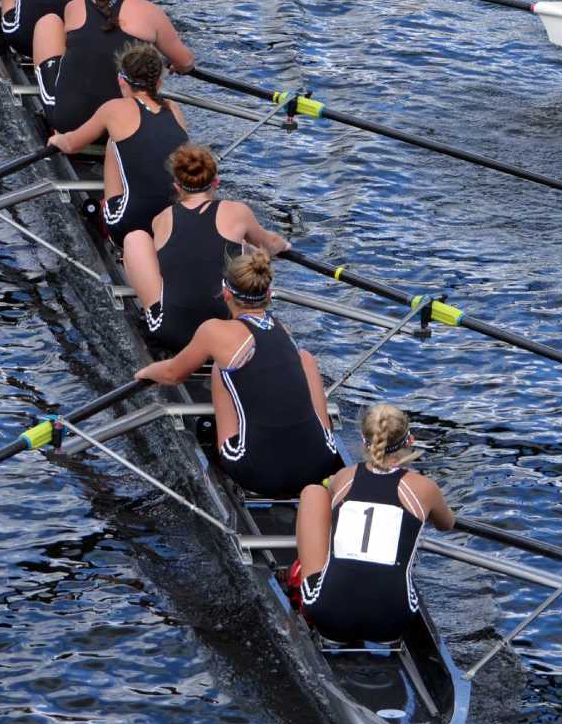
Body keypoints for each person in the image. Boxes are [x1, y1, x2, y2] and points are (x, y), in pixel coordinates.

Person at [137, 250, 345, 499]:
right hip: (319, 465)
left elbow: (173, 374)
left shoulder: (213, 330)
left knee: (219, 368)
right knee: (306, 359)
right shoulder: (283, 330)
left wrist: (145, 372)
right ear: (268, 295)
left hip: (258, 474)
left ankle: (221, 442)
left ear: (226, 293)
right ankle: (317, 440)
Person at [293, 403, 454, 644]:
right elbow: (447, 524)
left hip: (328, 615)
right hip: (393, 622)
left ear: (364, 441)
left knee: (313, 493)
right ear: (409, 440)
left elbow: (336, 490)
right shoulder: (425, 488)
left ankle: (309, 585)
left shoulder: (344, 478)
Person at [124, 144, 288, 350]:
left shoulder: (161, 219)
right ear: (216, 182)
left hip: (173, 332)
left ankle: (152, 311)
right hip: (227, 329)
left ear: (177, 187)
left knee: (136, 238)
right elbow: (271, 244)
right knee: (245, 248)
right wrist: (285, 244)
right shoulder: (237, 211)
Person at [38, 0, 195, 129]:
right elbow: (186, 62)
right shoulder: (149, 12)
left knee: (47, 23)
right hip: (124, 126)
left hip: (70, 122)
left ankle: (58, 130)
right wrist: (174, 64)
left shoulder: (74, 7)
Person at [49, 42, 188, 241]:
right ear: (158, 83)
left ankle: (109, 204)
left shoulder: (114, 108)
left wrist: (57, 138)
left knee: (114, 140)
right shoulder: (173, 108)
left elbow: (72, 145)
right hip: (176, 221)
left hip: (132, 223)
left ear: (121, 80)